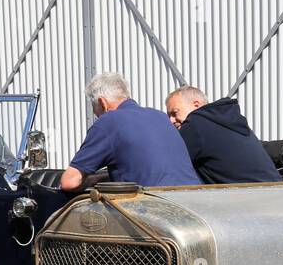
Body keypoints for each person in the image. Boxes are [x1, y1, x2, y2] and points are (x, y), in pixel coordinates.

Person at [61, 73, 199, 191]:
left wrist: (89, 181)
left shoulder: (109, 121)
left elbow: (69, 182)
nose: (95, 114)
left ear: (102, 102)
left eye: (93, 108)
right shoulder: (160, 116)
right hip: (191, 198)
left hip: (155, 208)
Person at [165, 86, 281, 184]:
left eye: (175, 113)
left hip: (243, 201)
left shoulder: (196, 123)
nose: (171, 120)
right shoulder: (231, 123)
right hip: (273, 191)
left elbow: (169, 164)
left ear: (196, 105)